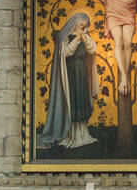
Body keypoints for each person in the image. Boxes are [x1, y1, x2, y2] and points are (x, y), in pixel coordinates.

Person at [38, 11, 99, 149]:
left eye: (84, 25)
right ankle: (70, 135)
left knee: (82, 98)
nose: (82, 26)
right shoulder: (65, 36)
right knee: (72, 100)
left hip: (82, 72)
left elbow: (91, 49)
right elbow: (65, 53)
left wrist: (83, 37)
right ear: (75, 22)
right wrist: (76, 40)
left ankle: (82, 135)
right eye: (80, 23)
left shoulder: (85, 36)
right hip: (70, 72)